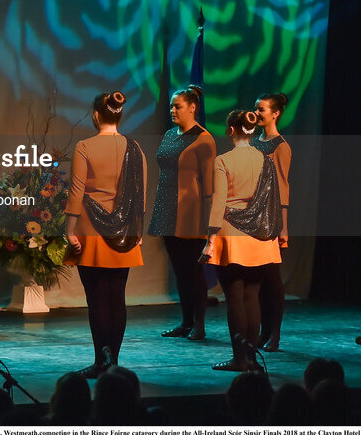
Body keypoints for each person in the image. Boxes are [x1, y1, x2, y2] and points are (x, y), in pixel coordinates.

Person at [65, 91, 147, 378]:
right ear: (119, 114)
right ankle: (113, 363)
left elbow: (76, 191)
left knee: (97, 300)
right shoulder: (135, 148)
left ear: (97, 115)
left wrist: (69, 228)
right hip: (125, 231)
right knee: (116, 297)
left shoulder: (85, 146)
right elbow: (140, 192)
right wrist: (137, 227)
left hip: (90, 228)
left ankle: (102, 361)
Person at [202, 109, 282, 371]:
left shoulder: (223, 161)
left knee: (234, 297)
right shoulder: (265, 160)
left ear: (231, 130)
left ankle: (240, 359)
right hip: (259, 236)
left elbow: (219, 202)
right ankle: (250, 358)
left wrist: (210, 238)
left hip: (231, 234)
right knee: (252, 296)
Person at [147, 84, 216, 340]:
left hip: (190, 212)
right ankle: (186, 322)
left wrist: (210, 222)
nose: (172, 110)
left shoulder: (203, 139)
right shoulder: (169, 134)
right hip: (167, 207)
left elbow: (209, 185)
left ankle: (199, 323)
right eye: (171, 106)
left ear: (192, 108)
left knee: (192, 269)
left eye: (177, 106)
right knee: (179, 268)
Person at [251, 91, 292, 350]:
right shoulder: (254, 143)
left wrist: (283, 226)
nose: (257, 113)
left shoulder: (280, 146)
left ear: (275, 113)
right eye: (256, 108)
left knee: (271, 277)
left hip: (271, 217)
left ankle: (273, 333)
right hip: (252, 216)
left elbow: (283, 188)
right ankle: (262, 332)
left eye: (262, 109)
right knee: (258, 279)